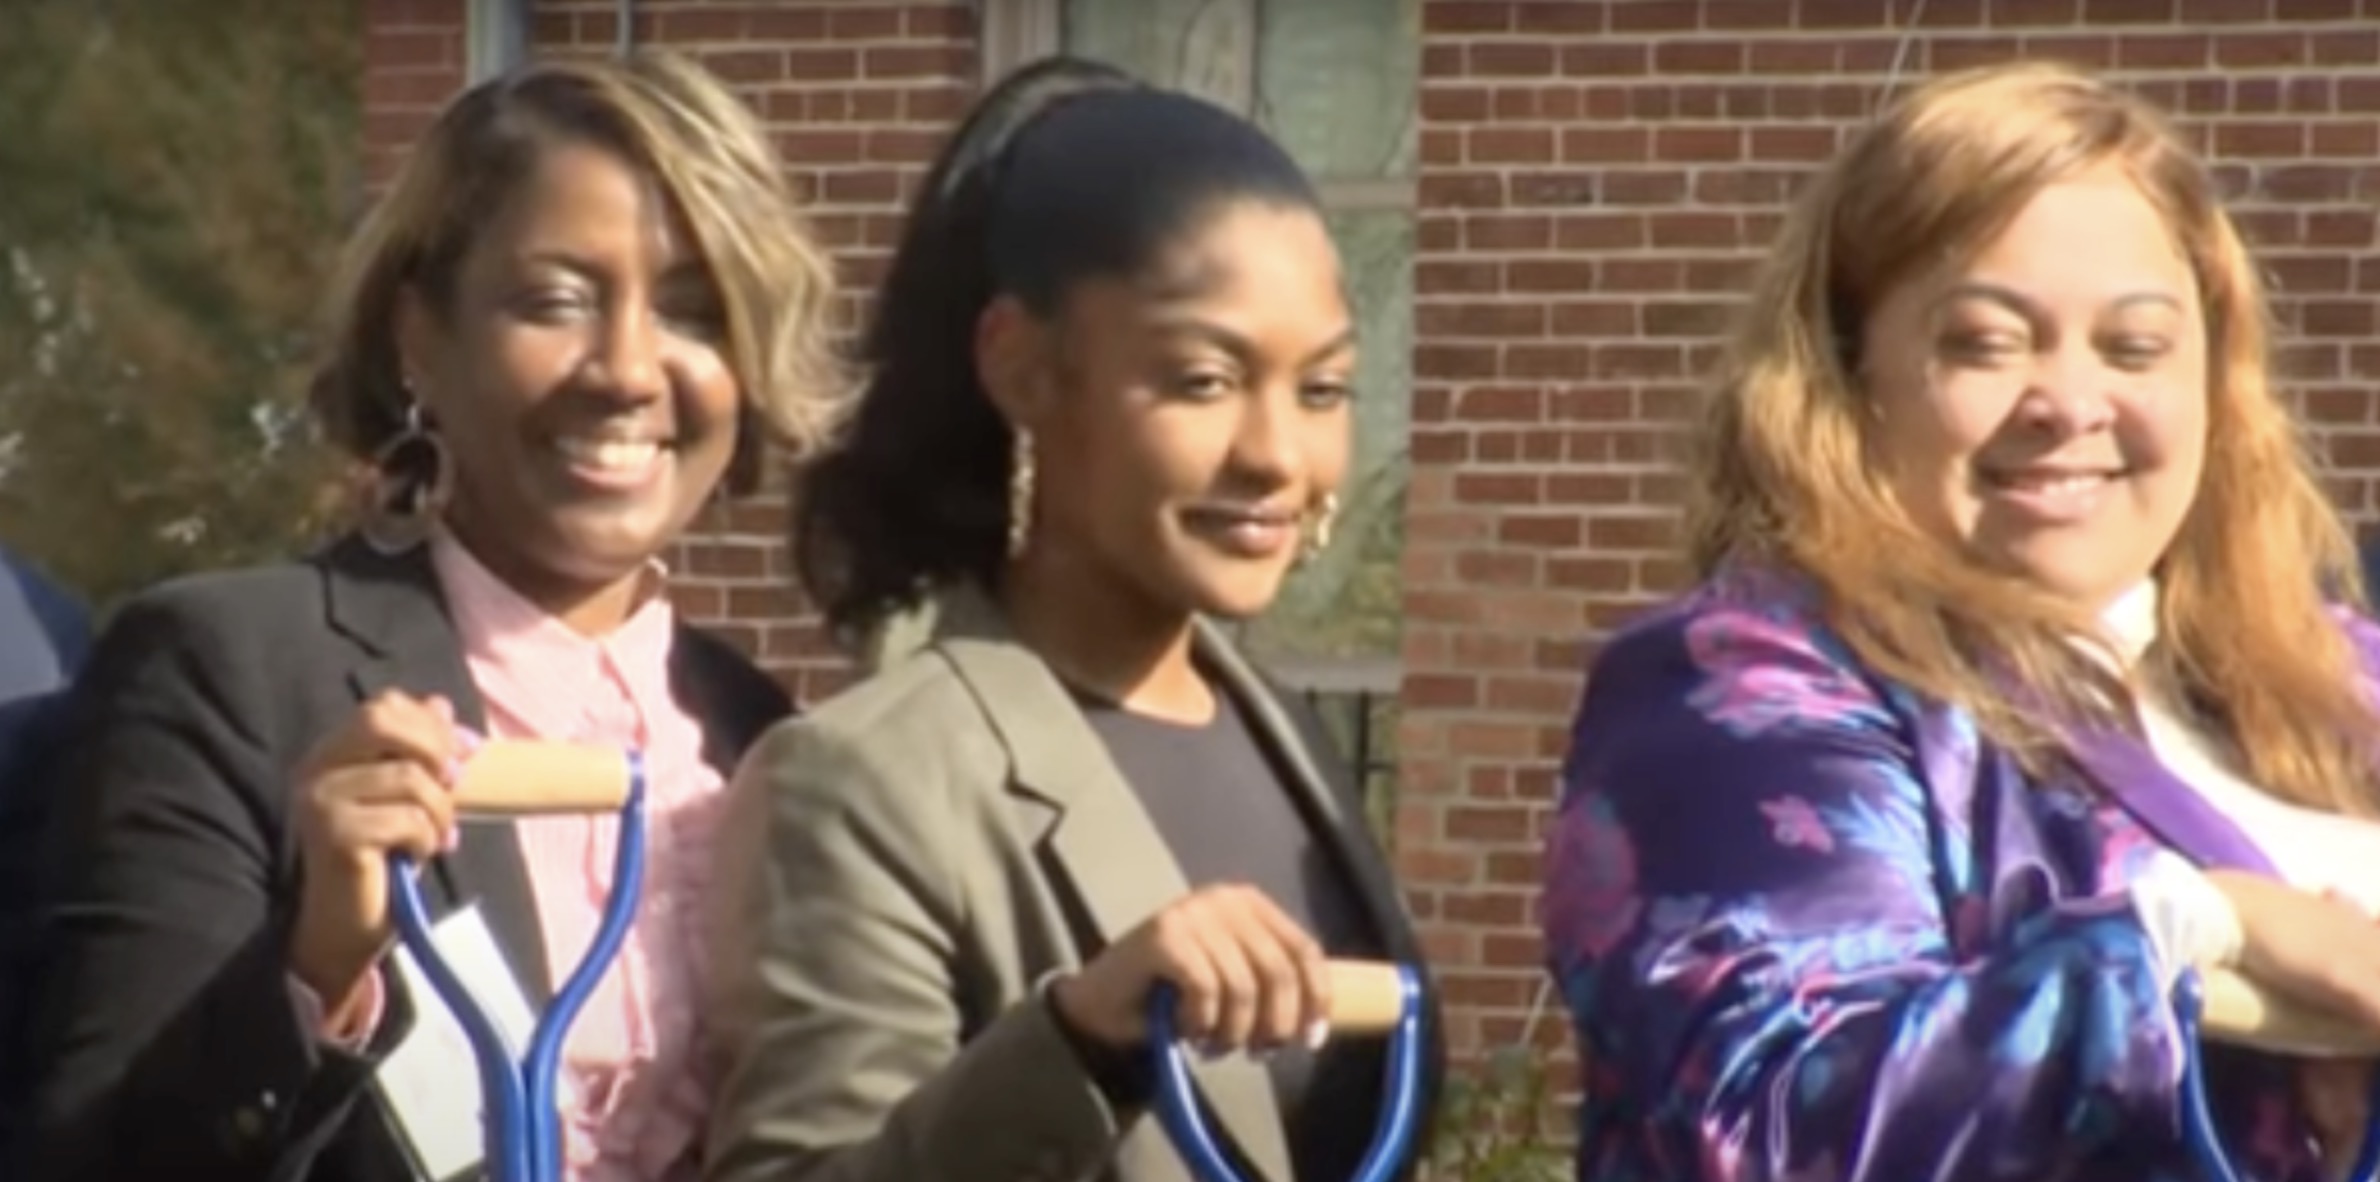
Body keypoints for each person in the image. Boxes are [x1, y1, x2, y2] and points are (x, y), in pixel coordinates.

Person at [1541, 61, 2380, 1182]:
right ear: (1850, 372)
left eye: (2133, 347)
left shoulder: (2338, 674)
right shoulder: (1744, 686)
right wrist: (2202, 934)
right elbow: (1759, 1123)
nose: (2069, 404)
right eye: (1985, 342)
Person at [11, 49, 839, 1182]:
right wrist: (315, 971)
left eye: (696, 314)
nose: (629, 369)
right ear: (419, 339)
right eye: (556, 300)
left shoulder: (761, 737)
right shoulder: (233, 671)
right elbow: (82, 1155)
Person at [702, 56, 1444, 1182]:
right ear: (1022, 366)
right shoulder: (864, 783)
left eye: (1322, 389)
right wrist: (1079, 1039)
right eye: (1202, 380)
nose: (1276, 456)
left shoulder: (1281, 737)